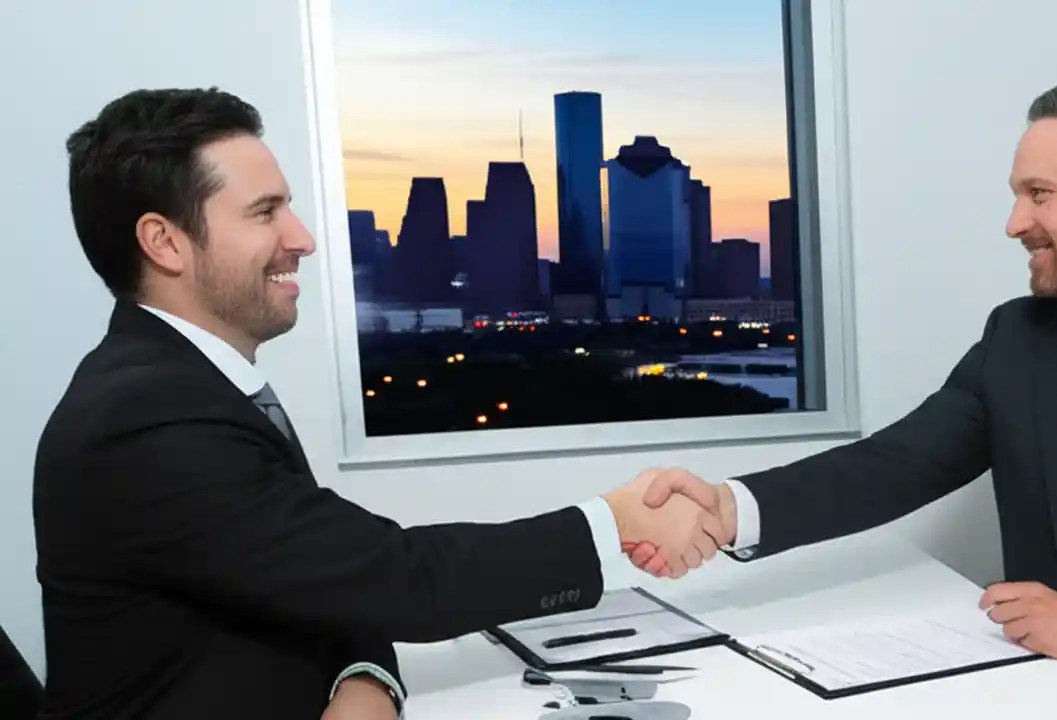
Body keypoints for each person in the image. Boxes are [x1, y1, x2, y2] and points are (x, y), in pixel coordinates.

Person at [33, 88, 728, 720]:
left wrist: (369, 677)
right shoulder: (144, 420)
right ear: (164, 242)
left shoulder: (190, 386)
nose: (301, 238)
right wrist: (613, 526)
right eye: (265, 212)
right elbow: (395, 579)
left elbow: (321, 573)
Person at [630, 78, 1057, 719]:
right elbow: (894, 465)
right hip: (1046, 699)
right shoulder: (1019, 337)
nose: (1015, 223)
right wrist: (728, 509)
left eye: (1040, 194)